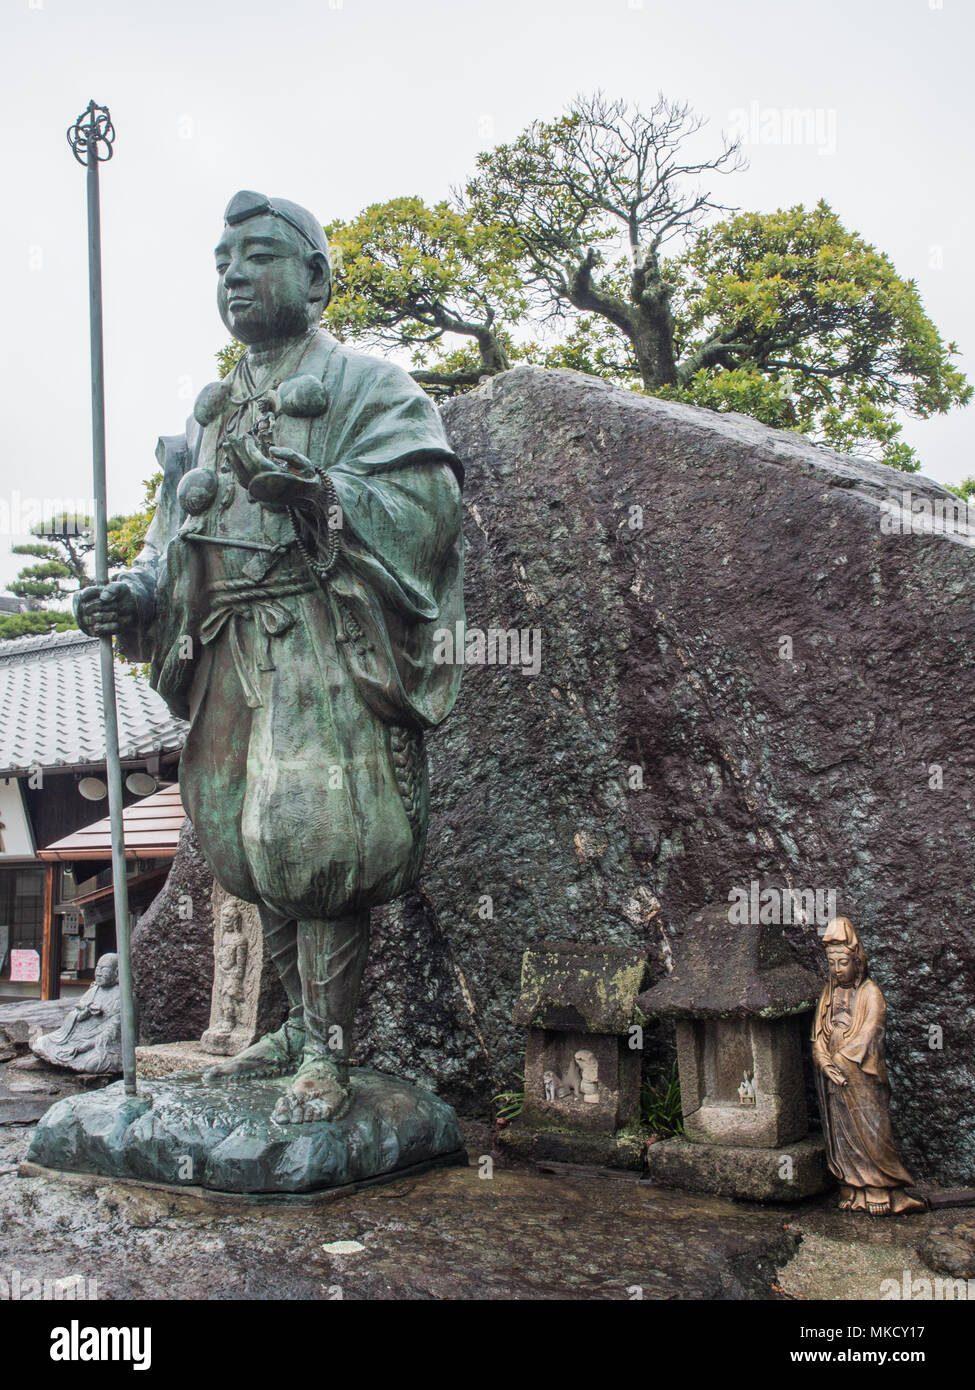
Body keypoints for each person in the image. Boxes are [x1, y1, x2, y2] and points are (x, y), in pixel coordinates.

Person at [75, 191, 464, 1123]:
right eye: (220, 262)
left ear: (318, 278)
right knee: (241, 841)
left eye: (255, 255)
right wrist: (133, 592)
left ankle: (329, 1053)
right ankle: (288, 1031)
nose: (233, 276)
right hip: (227, 649)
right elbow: (175, 535)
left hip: (320, 641)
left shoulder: (372, 387)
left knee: (317, 842)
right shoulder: (212, 413)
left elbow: (427, 511)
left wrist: (320, 494)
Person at [812, 917, 924, 1216]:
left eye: (843, 962)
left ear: (857, 961)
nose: (838, 970)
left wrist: (842, 1058)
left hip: (860, 1076)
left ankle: (879, 1188)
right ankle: (852, 1188)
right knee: (841, 1133)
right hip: (834, 1077)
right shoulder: (829, 993)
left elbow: (871, 1031)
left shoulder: (870, 992)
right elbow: (817, 1035)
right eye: (832, 963)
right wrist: (824, 1059)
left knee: (870, 1129)